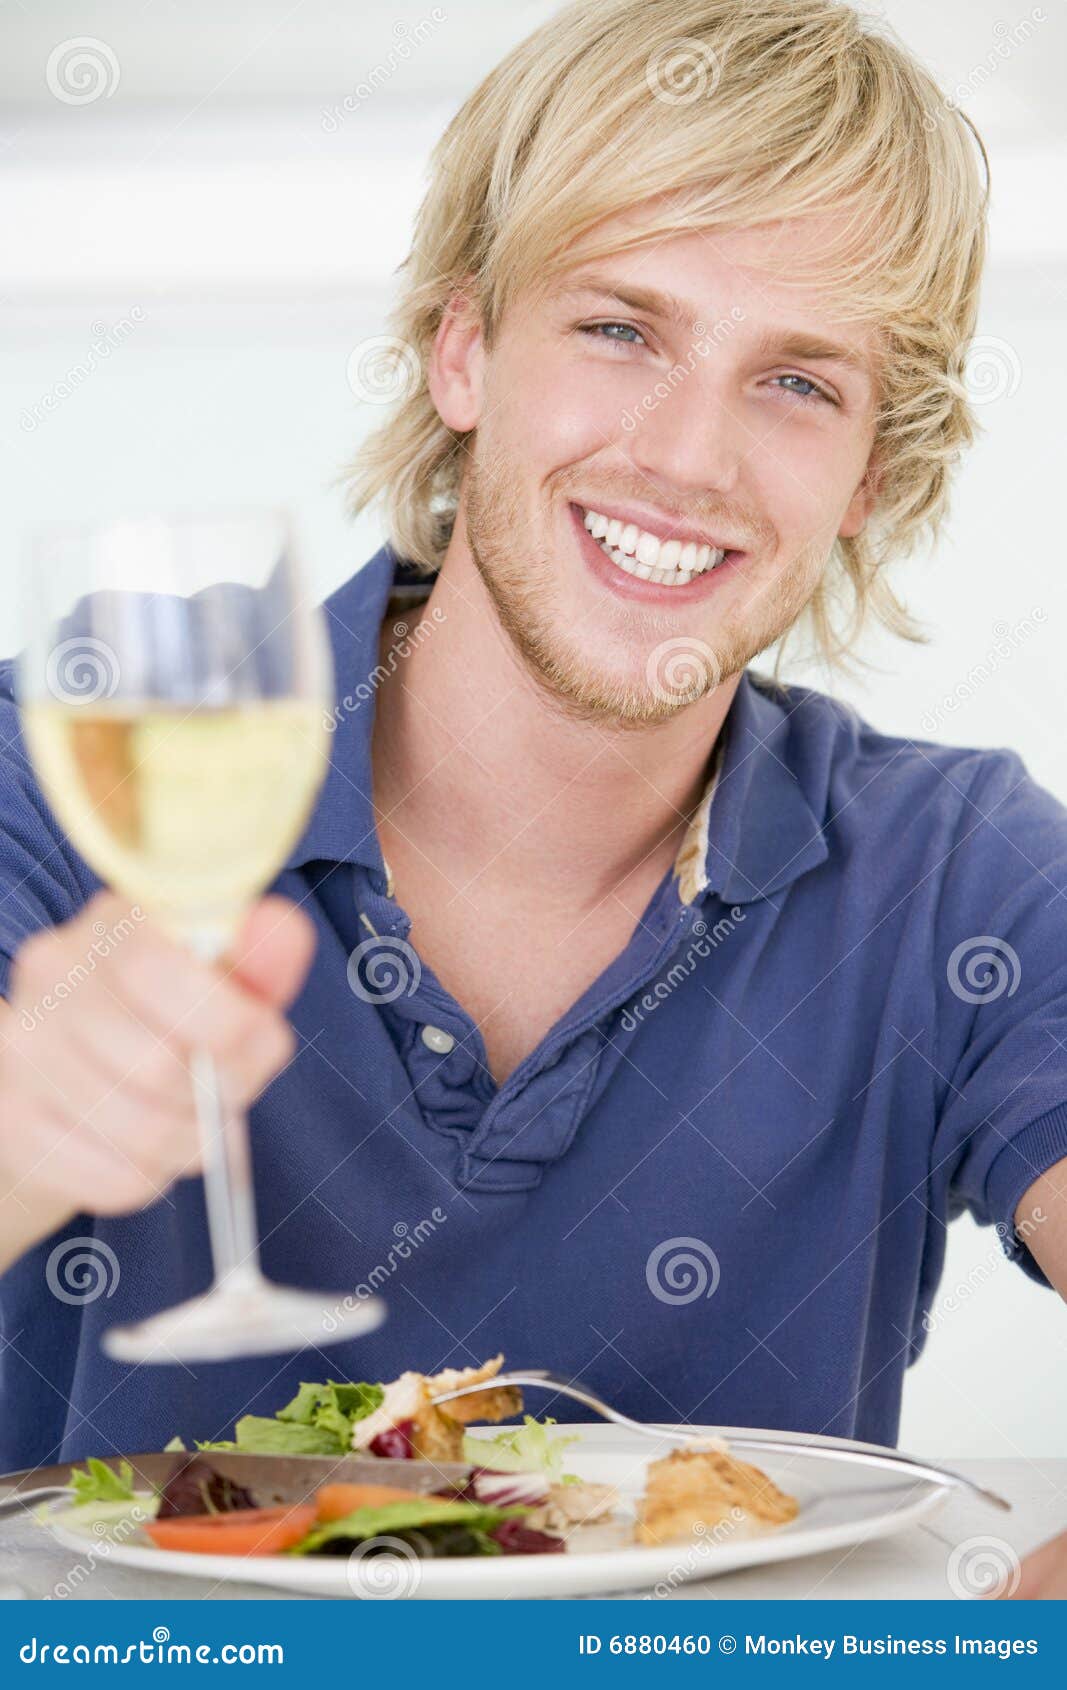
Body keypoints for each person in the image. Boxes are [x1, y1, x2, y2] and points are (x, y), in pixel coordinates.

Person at [1, 0, 1064, 1595]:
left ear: (871, 480)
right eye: (622, 328)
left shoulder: (959, 876)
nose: (688, 457)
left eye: (796, 382)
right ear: (463, 347)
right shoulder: (80, 768)